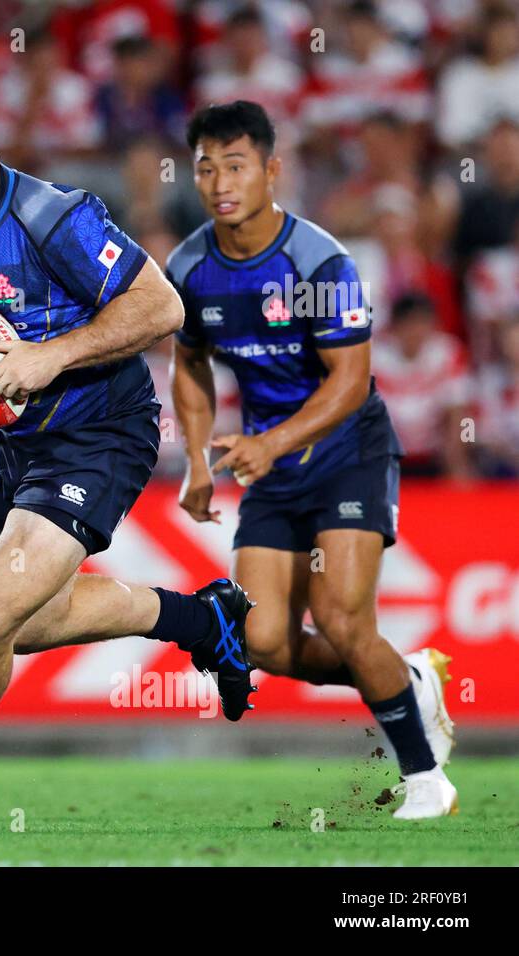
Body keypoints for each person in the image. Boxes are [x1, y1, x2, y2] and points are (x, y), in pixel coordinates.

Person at [0, 79, 256, 832]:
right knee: (22, 625)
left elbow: (163, 307)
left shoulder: (53, 217)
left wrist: (54, 355)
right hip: (12, 443)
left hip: (99, 432)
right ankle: (201, 621)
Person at [168, 101, 456, 820]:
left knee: (340, 618)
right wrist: (199, 462)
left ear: (271, 170)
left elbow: (350, 381)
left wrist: (267, 443)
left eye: (235, 165)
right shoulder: (190, 267)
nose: (219, 182)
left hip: (348, 453)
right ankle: (408, 677)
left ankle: (425, 776)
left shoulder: (318, 261)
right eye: (206, 167)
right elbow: (192, 365)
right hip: (272, 466)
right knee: (263, 641)